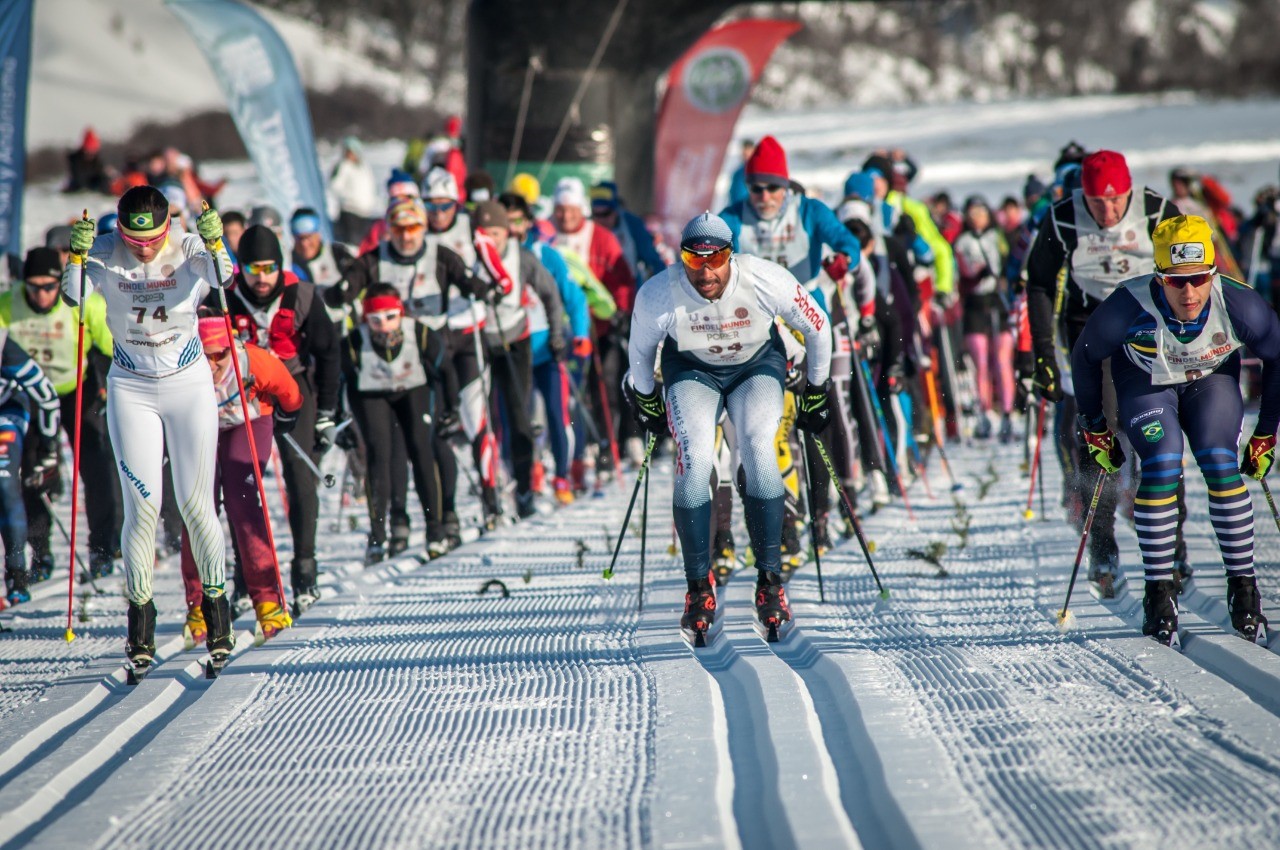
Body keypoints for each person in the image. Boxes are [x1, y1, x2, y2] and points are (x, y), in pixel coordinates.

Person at [625, 213, 832, 643]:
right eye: (693, 258)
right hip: (692, 371)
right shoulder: (658, 293)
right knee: (696, 455)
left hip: (756, 366)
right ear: (681, 257)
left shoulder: (763, 279)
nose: (705, 270)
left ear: (730, 254)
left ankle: (770, 582)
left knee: (758, 448)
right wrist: (645, 401)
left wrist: (817, 388)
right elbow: (640, 355)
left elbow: (819, 328)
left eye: (715, 257)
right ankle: (698, 587)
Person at [1072, 215, 1277, 646]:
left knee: (1220, 463)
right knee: (1163, 463)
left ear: (1213, 274)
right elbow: (1084, 357)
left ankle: (1244, 591)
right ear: (1157, 277)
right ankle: (1159, 593)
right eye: (1174, 281)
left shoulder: (1241, 304)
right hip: (1146, 383)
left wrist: (1266, 433)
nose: (1189, 292)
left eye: (1199, 279)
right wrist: (1094, 428)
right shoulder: (1127, 306)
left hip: (1212, 381)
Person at [63, 186, 234, 677]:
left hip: (187, 385)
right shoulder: (104, 250)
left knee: (196, 504)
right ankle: (141, 625)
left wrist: (217, 243)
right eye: (133, 240)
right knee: (142, 508)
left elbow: (224, 280)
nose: (142, 249)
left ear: (166, 226)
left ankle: (217, 616)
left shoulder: (186, 244)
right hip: (131, 386)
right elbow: (73, 298)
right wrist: (76, 256)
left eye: (152, 239)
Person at [1026, 149, 1182, 596]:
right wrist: (1040, 355)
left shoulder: (1155, 211)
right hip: (1089, 326)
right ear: (1083, 195)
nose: (1109, 212)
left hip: (1149, 324)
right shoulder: (1063, 218)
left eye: (1116, 202)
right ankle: (1104, 548)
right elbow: (1037, 281)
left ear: (1129, 191)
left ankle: (1174, 547)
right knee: (1098, 436)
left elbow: (1193, 271)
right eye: (1098, 203)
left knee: (1161, 431)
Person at [326, 194, 491, 543]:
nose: (406, 235)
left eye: (413, 227)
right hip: (380, 362)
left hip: (428, 355)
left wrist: (479, 287)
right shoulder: (375, 260)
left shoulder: (440, 255)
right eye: (399, 228)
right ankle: (396, 522)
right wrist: (341, 292)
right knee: (389, 450)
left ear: (423, 226)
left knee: (432, 444)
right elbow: (352, 282)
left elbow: (464, 277)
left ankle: (445, 514)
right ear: (389, 230)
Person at [214, 224, 341, 612]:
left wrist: (326, 413)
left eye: (269, 268)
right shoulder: (224, 296)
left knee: (302, 480)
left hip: (292, 393)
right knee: (241, 487)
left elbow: (331, 352)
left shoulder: (300, 294)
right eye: (253, 269)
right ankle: (243, 577)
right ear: (242, 269)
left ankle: (305, 571)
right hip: (243, 395)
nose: (262, 278)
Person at [180, 318, 302, 646]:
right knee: (197, 506)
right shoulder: (180, 363)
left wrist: (288, 416)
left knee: (242, 501)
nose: (213, 363)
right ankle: (198, 603)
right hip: (200, 429)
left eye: (220, 355)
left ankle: (268, 601)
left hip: (247, 421)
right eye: (204, 355)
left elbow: (290, 392)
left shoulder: (253, 359)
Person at [2, 247, 121, 580]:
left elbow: (113, 347)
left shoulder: (85, 304)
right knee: (32, 471)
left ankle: (102, 547)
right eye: (34, 287)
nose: (41, 294)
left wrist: (108, 384)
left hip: (74, 391)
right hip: (27, 398)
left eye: (50, 286)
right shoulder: (9, 304)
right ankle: (40, 554)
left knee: (96, 463)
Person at [343, 285, 455, 560]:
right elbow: (340, 379)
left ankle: (435, 529)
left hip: (412, 390)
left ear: (401, 313)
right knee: (379, 454)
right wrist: (334, 417)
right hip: (371, 394)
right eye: (375, 320)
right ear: (365, 319)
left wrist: (452, 407)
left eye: (390, 317)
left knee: (421, 449)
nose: (383, 327)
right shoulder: (355, 341)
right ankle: (379, 535)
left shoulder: (420, 332)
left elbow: (446, 368)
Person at [472, 200, 567, 517]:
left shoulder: (521, 257)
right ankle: (490, 491)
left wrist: (556, 335)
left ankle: (525, 488)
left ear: (507, 232)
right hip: (477, 343)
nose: (491, 240)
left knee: (518, 416)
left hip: (515, 341)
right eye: (484, 233)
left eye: (496, 232)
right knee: (480, 418)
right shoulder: (467, 257)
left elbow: (551, 293)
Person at [500, 191, 592, 505]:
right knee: (517, 417)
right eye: (505, 223)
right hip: (513, 351)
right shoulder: (492, 255)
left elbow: (573, 298)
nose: (511, 230)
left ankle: (562, 476)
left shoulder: (545, 254)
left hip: (548, 348)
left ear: (528, 222)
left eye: (516, 222)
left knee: (557, 412)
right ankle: (527, 475)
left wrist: (579, 333)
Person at [552, 177, 636, 486]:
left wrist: (621, 311)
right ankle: (579, 449)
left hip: (600, 327)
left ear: (582, 210)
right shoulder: (549, 238)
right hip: (563, 330)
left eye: (571, 209)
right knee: (575, 394)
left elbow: (620, 275)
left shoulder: (600, 237)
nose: (565, 216)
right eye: (560, 210)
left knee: (606, 388)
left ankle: (607, 445)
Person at [0, 333, 60, 608]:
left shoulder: (5, 346)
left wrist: (48, 446)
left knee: (4, 483)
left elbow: (46, 395)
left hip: (7, 411)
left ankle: (17, 575)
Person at [953, 196, 1013, 441]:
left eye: (981, 212)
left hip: (997, 301)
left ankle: (1007, 413)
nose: (977, 217)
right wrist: (977, 276)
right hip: (975, 304)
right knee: (980, 361)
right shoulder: (962, 242)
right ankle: (984, 413)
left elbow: (1010, 263)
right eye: (972, 213)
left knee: (1001, 359)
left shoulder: (997, 238)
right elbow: (962, 278)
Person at [589, 181, 666, 284]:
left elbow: (652, 259)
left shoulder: (631, 225)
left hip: (627, 286)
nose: (601, 220)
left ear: (616, 210)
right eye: (596, 214)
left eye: (605, 213)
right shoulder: (587, 228)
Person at [329, 136, 382, 245]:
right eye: (348, 152)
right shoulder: (344, 166)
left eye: (352, 152)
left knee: (364, 244)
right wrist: (348, 198)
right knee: (351, 243)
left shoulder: (364, 167)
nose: (350, 155)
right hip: (350, 211)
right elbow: (335, 186)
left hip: (365, 213)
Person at [290, 207, 356, 288]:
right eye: (299, 238)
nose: (304, 243)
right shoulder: (288, 264)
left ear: (318, 234)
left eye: (309, 237)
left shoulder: (337, 253)